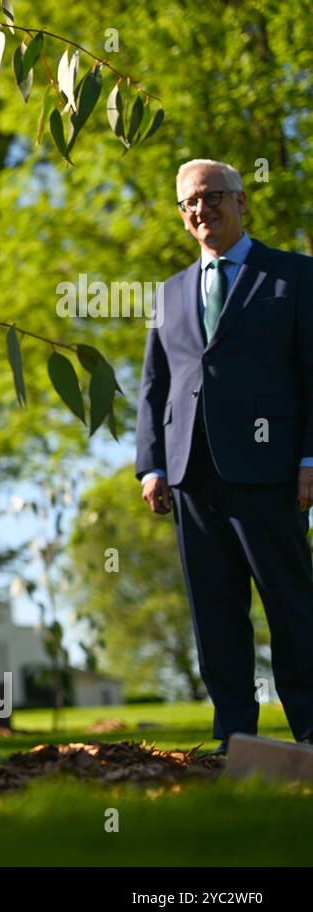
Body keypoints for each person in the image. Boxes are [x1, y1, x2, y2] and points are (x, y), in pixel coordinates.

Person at [135, 158, 313, 755]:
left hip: (272, 470)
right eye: (189, 202)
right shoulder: (170, 293)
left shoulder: (294, 276)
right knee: (215, 612)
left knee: (291, 606)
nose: (200, 209)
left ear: (242, 203)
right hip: (191, 475)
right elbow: (153, 387)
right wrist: (152, 465)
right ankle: (234, 737)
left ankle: (310, 728)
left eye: (212, 196)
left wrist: (310, 459)